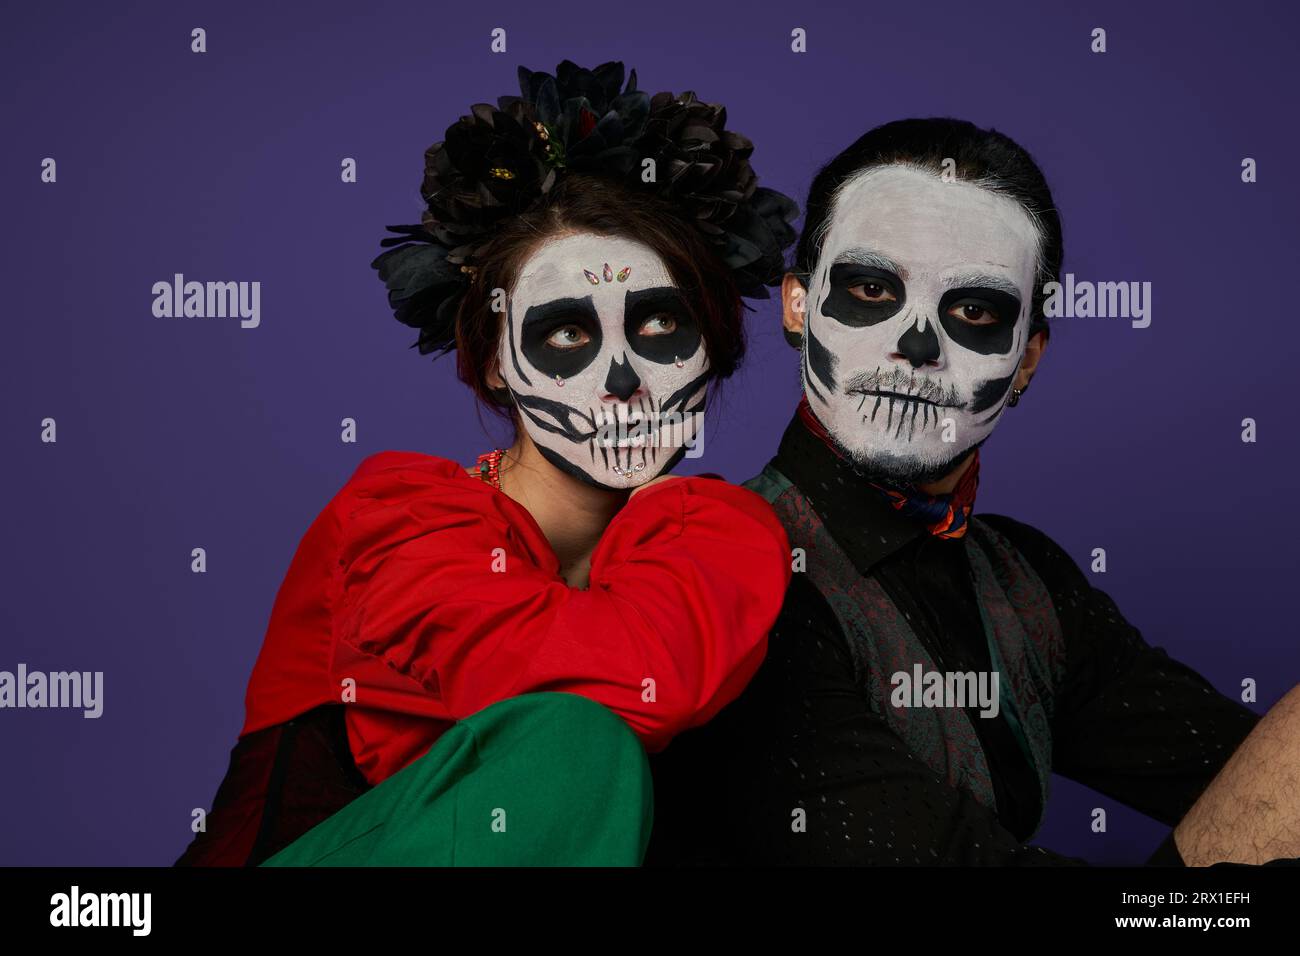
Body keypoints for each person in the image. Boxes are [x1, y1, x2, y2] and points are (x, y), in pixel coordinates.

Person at [174, 59, 799, 867]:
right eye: (568, 332)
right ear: (496, 364)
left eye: (658, 326)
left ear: (712, 345)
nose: (621, 380)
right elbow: (622, 696)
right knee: (574, 742)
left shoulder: (717, 530)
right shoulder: (400, 518)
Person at [643, 117, 1300, 867]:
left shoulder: (1028, 580)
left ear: (1027, 359)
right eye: (869, 288)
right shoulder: (724, 573)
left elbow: (1266, 783)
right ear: (798, 306)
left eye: (976, 311)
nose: (917, 345)